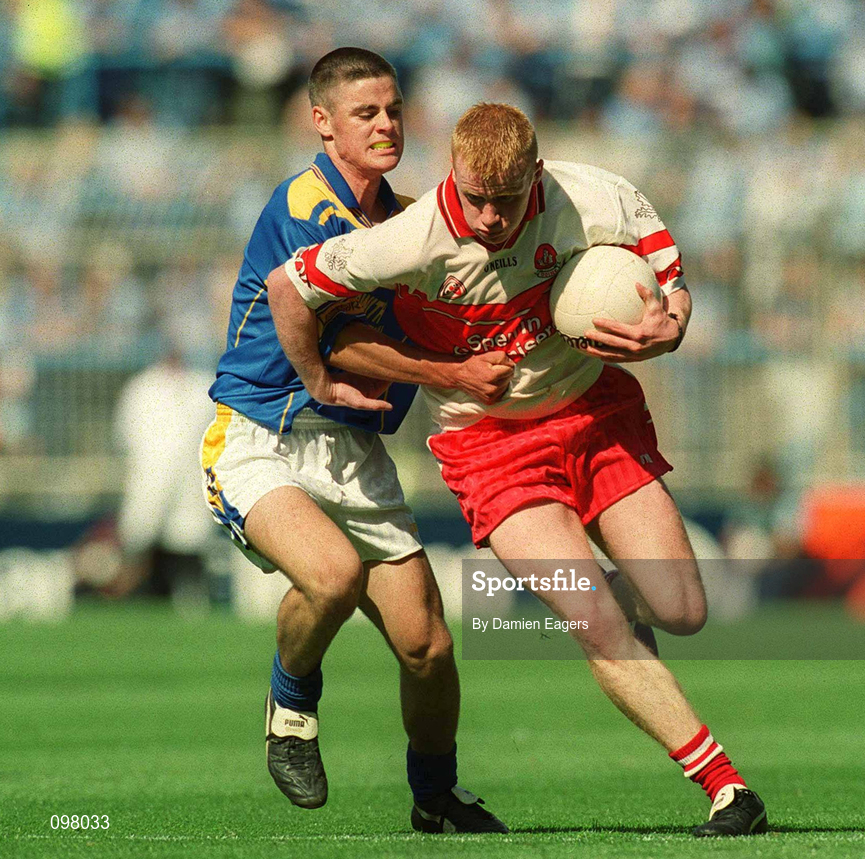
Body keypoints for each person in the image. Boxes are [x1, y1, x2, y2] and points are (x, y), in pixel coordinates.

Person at [266, 102, 769, 837]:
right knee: (593, 620)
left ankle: (618, 616)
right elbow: (291, 285)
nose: (493, 216)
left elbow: (671, 277)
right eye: (476, 198)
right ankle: (729, 790)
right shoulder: (408, 240)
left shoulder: (596, 197)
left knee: (682, 610)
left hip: (595, 415)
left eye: (508, 200)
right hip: (491, 448)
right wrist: (320, 376)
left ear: (537, 174)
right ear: (453, 176)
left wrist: (672, 324)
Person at [201, 48, 510, 833]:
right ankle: (291, 709)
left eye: (393, 110)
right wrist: (456, 372)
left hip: (353, 451)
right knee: (332, 575)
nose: (384, 124)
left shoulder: (403, 220)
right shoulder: (308, 204)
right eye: (365, 112)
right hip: (262, 433)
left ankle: (435, 796)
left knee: (430, 646)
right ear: (323, 122)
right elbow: (335, 342)